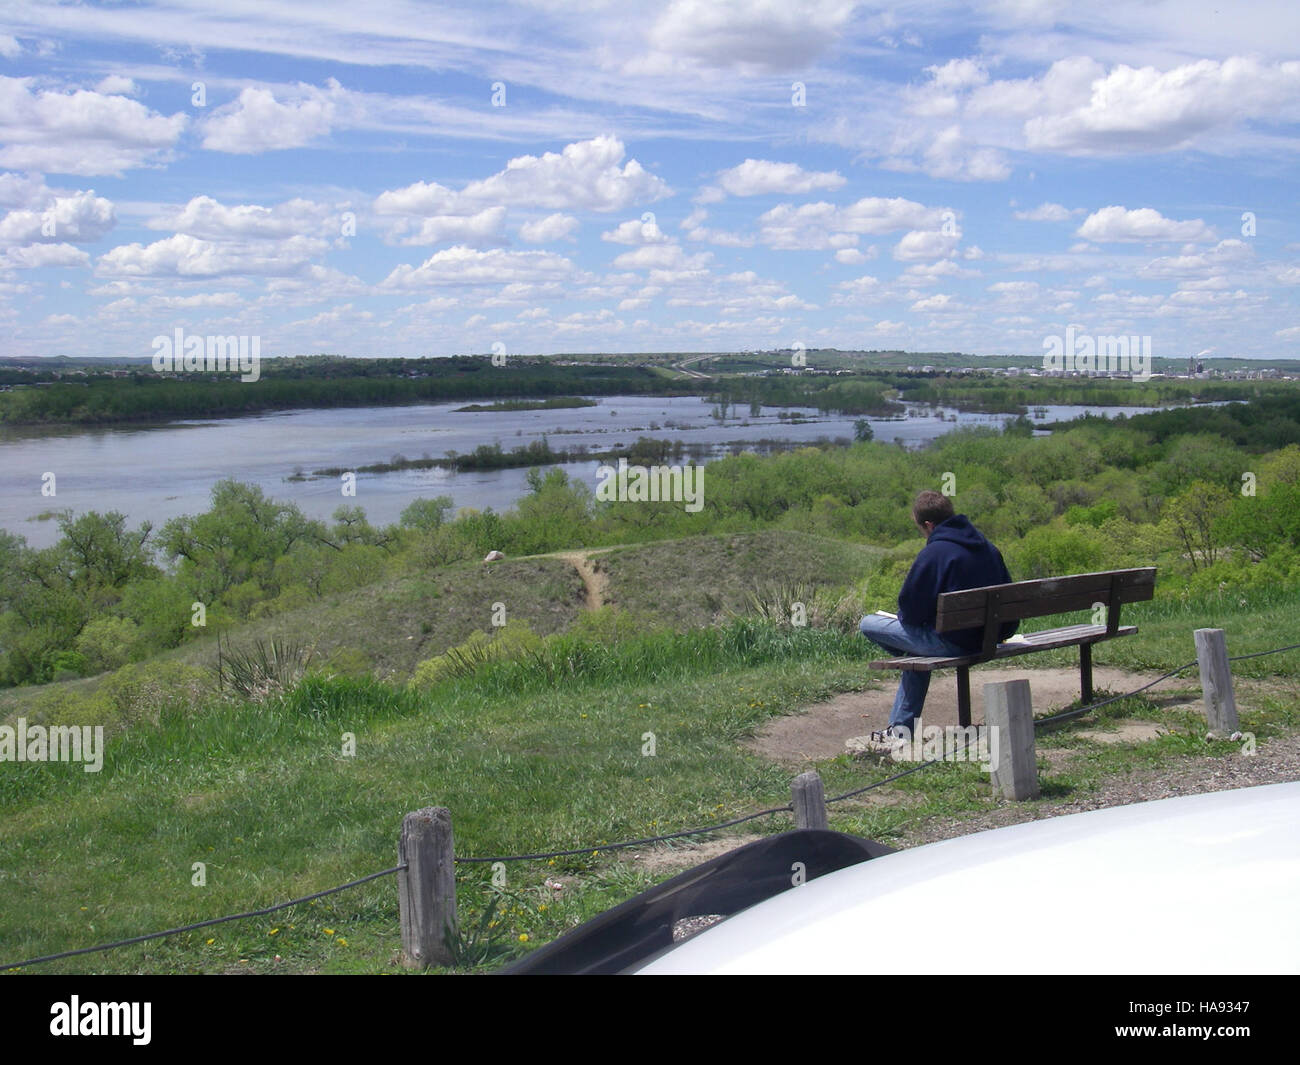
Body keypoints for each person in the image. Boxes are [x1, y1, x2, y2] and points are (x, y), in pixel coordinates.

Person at [858, 490, 1017, 744]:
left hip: (954, 642)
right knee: (916, 652)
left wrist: (921, 620)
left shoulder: (934, 553)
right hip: (989, 638)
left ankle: (900, 733)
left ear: (929, 525)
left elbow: (909, 612)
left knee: (868, 623)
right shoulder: (988, 547)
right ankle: (900, 730)